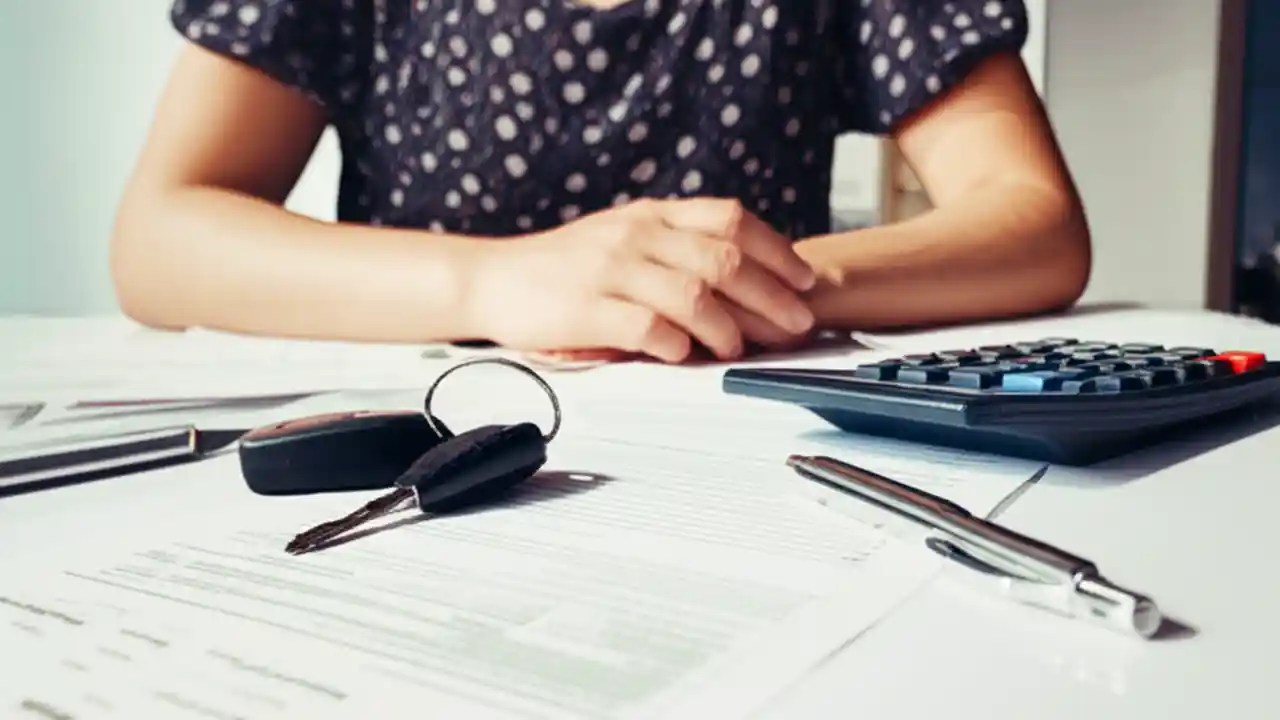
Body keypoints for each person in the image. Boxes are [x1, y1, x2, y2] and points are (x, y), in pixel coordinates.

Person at [111, 0, 1090, 364]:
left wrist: (734, 284)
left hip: (748, 464)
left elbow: (1031, 220)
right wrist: (496, 285)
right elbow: (160, 239)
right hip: (420, 446)